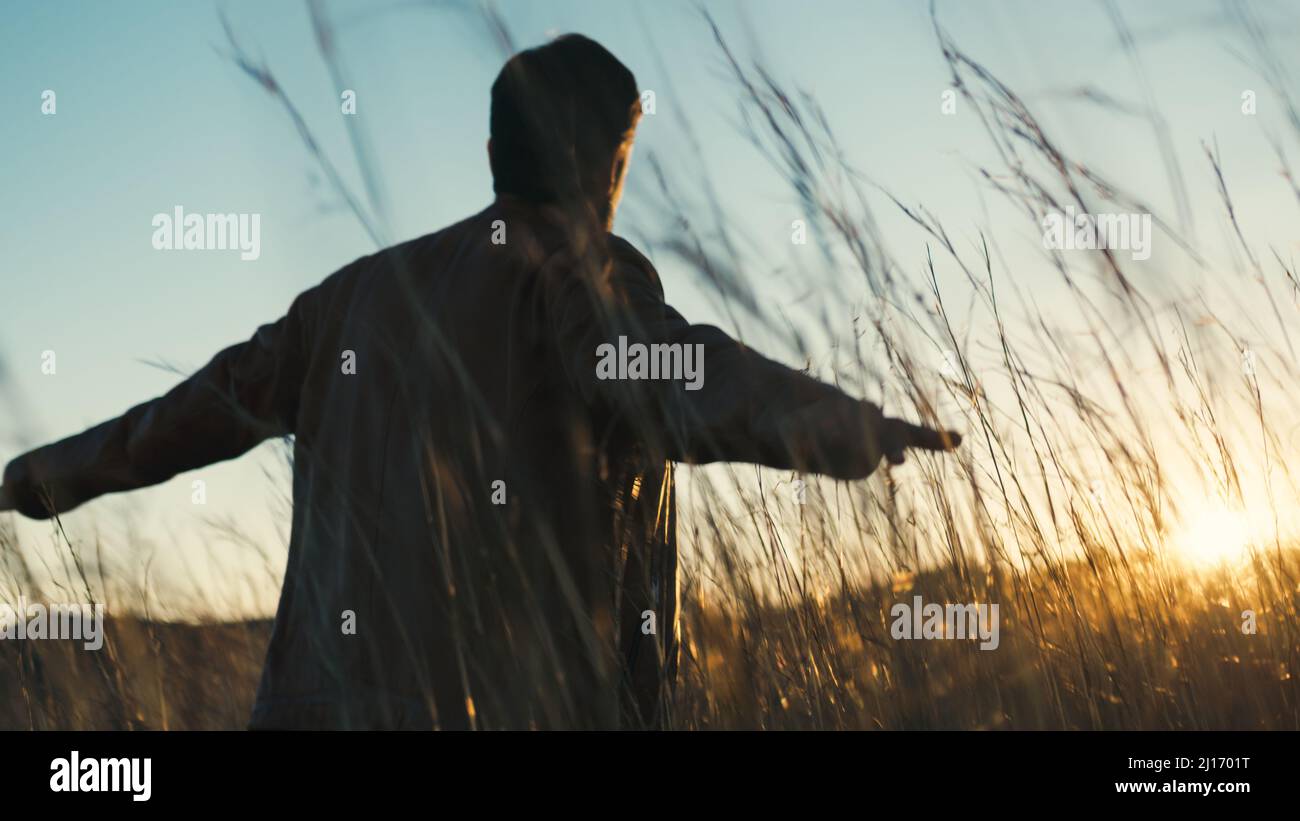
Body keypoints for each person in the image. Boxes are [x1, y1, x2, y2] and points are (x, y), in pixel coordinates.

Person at [0, 34, 960, 729]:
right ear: (610, 160)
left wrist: (40, 476)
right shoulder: (580, 272)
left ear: (494, 153)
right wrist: (849, 425)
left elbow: (184, 418)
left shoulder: (345, 300)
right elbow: (674, 379)